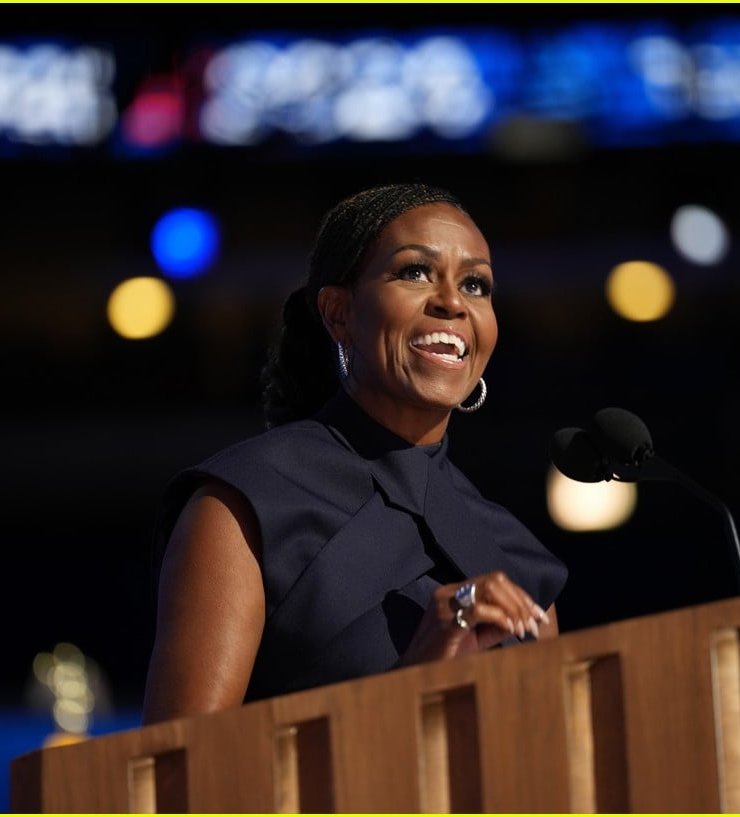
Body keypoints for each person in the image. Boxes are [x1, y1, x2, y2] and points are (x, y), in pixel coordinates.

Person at [142, 183, 567, 724]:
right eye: (414, 272)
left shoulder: (518, 560)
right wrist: (412, 681)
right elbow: (179, 778)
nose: (453, 302)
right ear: (339, 314)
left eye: (476, 284)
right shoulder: (243, 504)